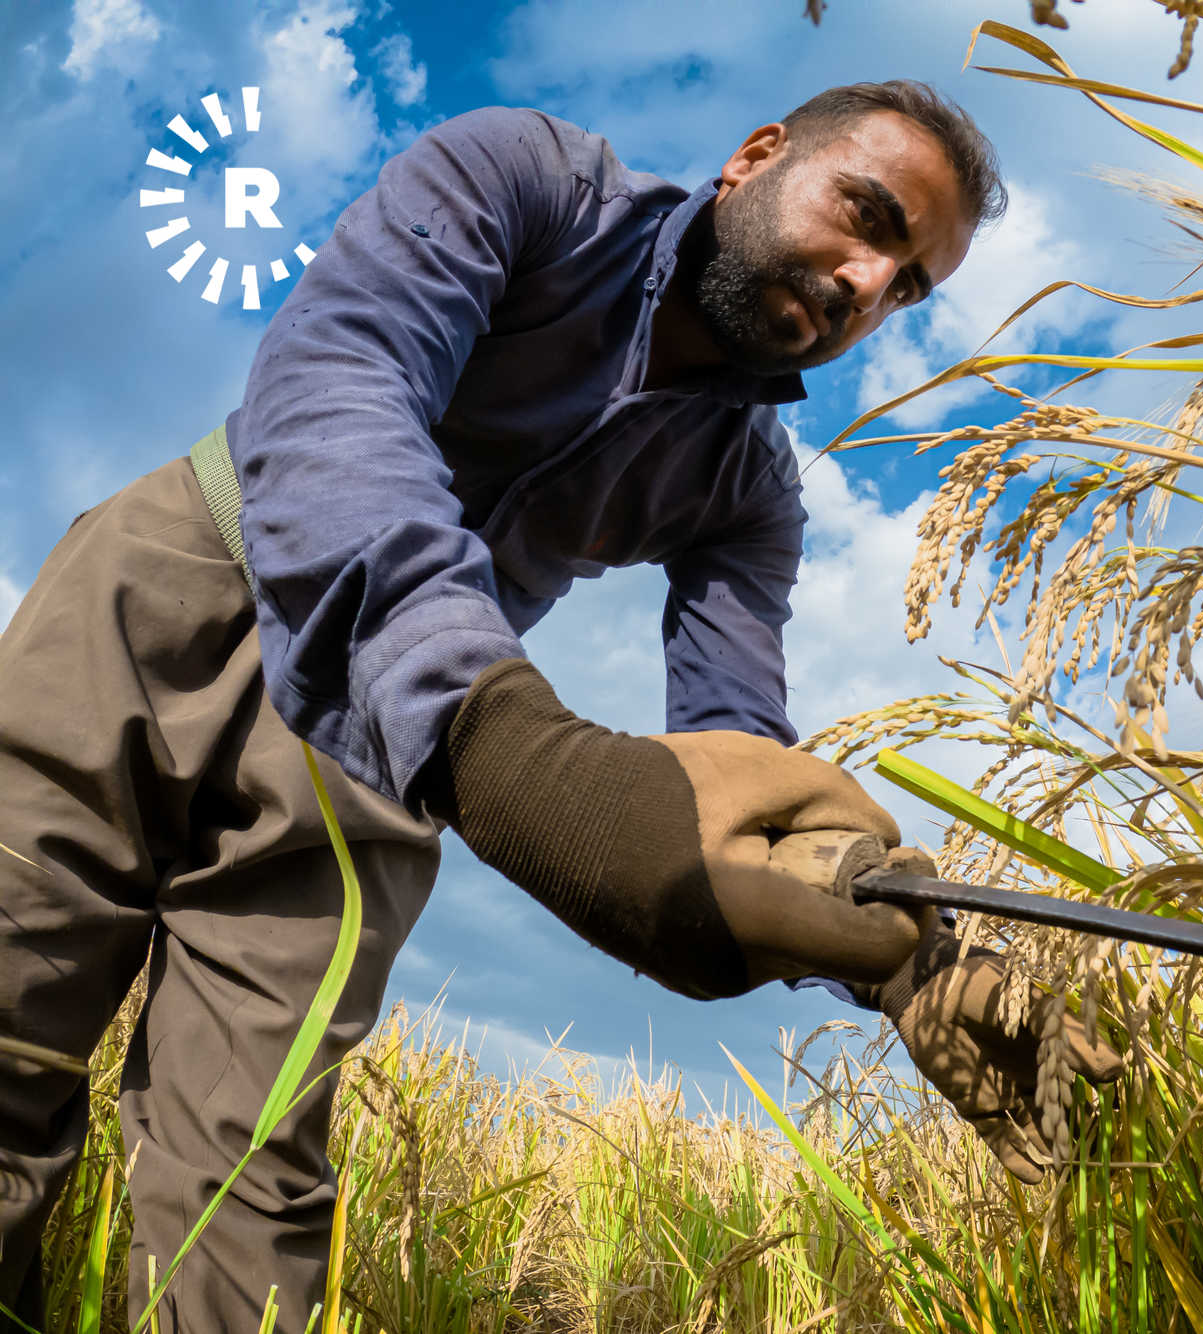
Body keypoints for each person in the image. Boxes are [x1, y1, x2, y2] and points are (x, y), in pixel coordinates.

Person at [0, 82, 1119, 1332]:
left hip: (376, 757)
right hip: (174, 595)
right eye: (865, 216)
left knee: (244, 1170)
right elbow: (344, 377)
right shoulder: (525, 179)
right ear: (752, 158)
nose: (866, 282)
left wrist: (907, 947)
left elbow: (738, 750)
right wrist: (501, 741)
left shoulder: (748, 494)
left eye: (907, 284)